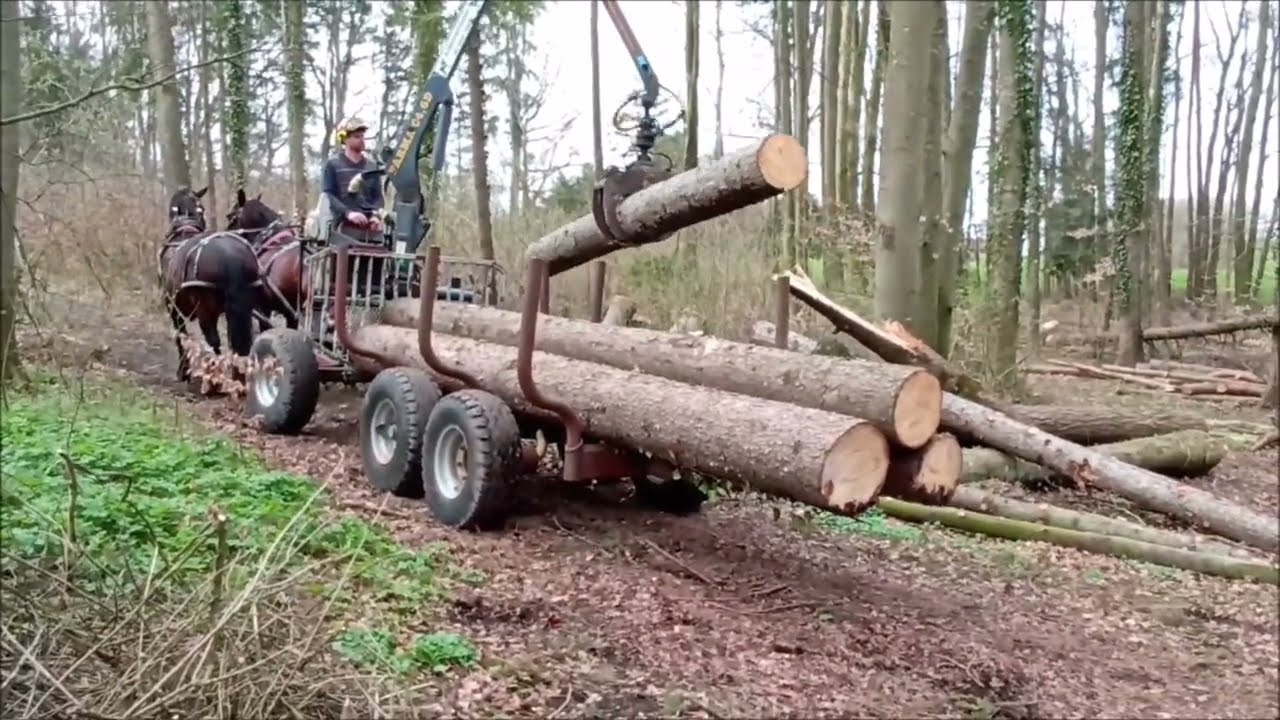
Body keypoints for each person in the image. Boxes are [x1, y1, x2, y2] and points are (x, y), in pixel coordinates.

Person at [321, 118, 385, 236]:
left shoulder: (372, 166)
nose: (361, 140)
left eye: (362, 136)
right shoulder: (333, 164)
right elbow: (329, 195)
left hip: (369, 229)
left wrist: (375, 216)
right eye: (356, 136)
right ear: (344, 139)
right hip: (341, 228)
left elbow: (378, 197)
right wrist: (349, 213)